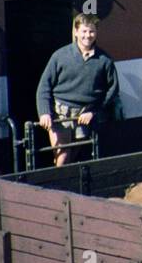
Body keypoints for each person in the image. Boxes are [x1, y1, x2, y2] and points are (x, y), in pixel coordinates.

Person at [36, 13, 119, 167]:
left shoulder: (104, 60)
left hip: (83, 116)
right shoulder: (60, 56)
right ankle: (58, 181)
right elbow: (44, 87)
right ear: (75, 32)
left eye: (91, 31)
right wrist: (44, 113)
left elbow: (112, 90)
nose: (88, 35)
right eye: (84, 31)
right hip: (60, 115)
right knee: (62, 157)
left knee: (72, 157)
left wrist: (93, 112)